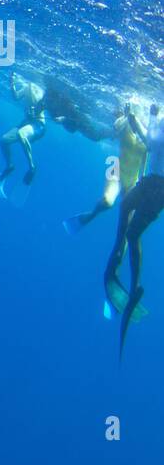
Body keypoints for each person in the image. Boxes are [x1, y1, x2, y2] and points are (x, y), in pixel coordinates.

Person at [104, 104, 164, 359]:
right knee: (126, 208)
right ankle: (120, 262)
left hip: (158, 187)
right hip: (150, 181)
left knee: (133, 232)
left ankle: (135, 283)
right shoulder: (158, 114)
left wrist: (135, 118)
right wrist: (140, 117)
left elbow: (151, 141)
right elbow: (149, 138)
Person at [64, 103, 147, 234]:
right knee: (107, 202)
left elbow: (145, 162)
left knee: (127, 226)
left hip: (133, 179)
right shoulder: (125, 123)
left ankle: (119, 251)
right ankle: (91, 215)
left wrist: (142, 182)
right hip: (116, 170)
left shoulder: (148, 135)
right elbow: (115, 129)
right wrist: (126, 116)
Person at [0, 71, 47, 200]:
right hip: (26, 123)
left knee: (21, 134)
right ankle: (9, 166)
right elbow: (16, 97)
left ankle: (32, 167)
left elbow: (42, 103)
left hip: (38, 126)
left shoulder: (40, 89)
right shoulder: (27, 87)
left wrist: (38, 105)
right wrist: (12, 83)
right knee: (4, 140)